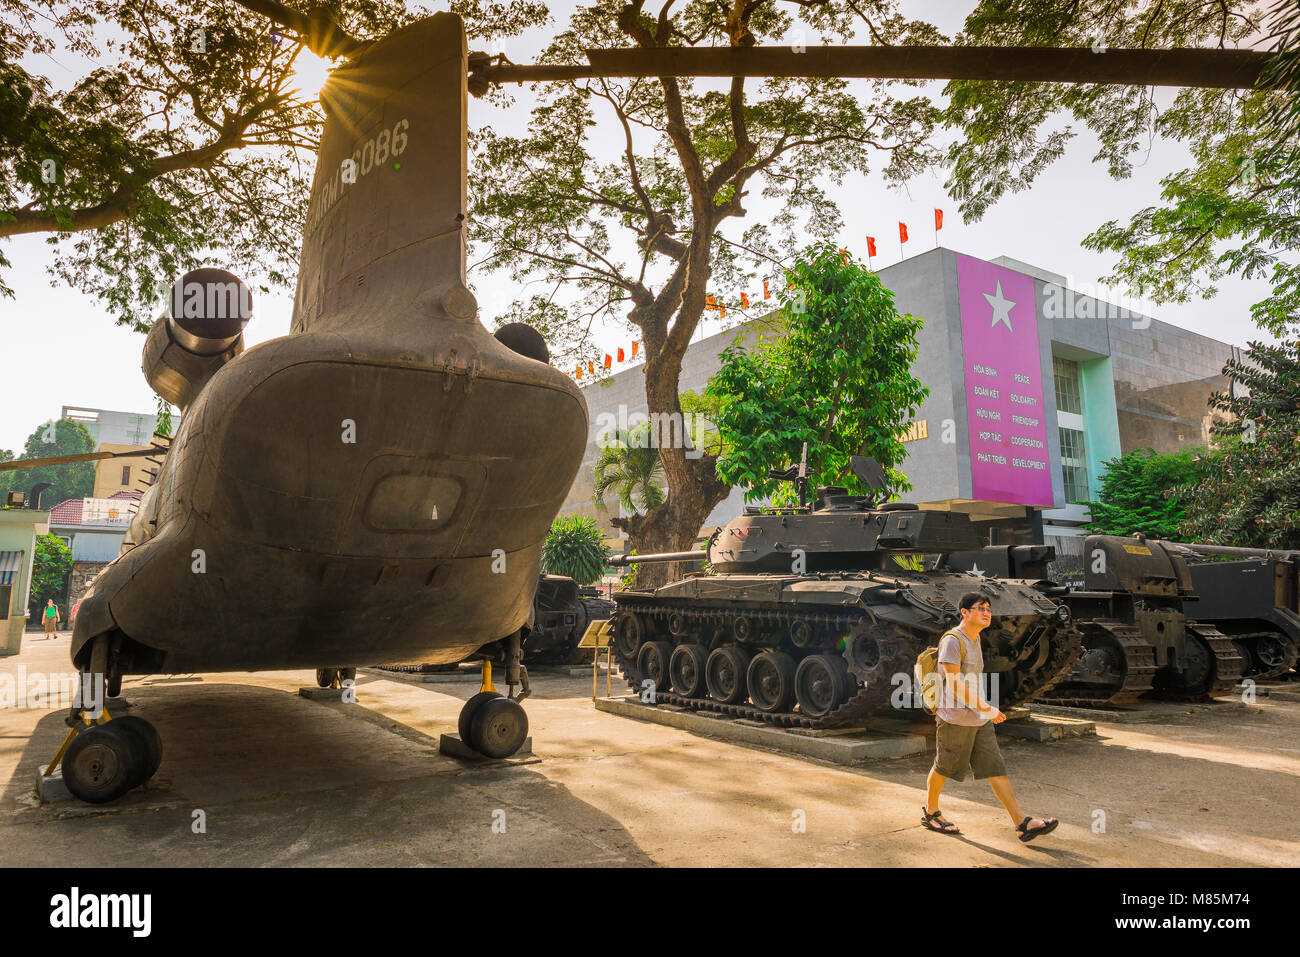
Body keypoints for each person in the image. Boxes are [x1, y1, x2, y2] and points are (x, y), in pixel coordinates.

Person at [921, 591, 1059, 843]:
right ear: (964, 612)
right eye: (981, 608)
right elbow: (953, 683)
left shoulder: (975, 639)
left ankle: (1021, 823)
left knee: (996, 769)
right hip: (955, 718)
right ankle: (931, 813)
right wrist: (986, 708)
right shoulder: (954, 640)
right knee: (944, 766)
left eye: (988, 608)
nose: (987, 613)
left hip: (978, 719)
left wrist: (982, 712)